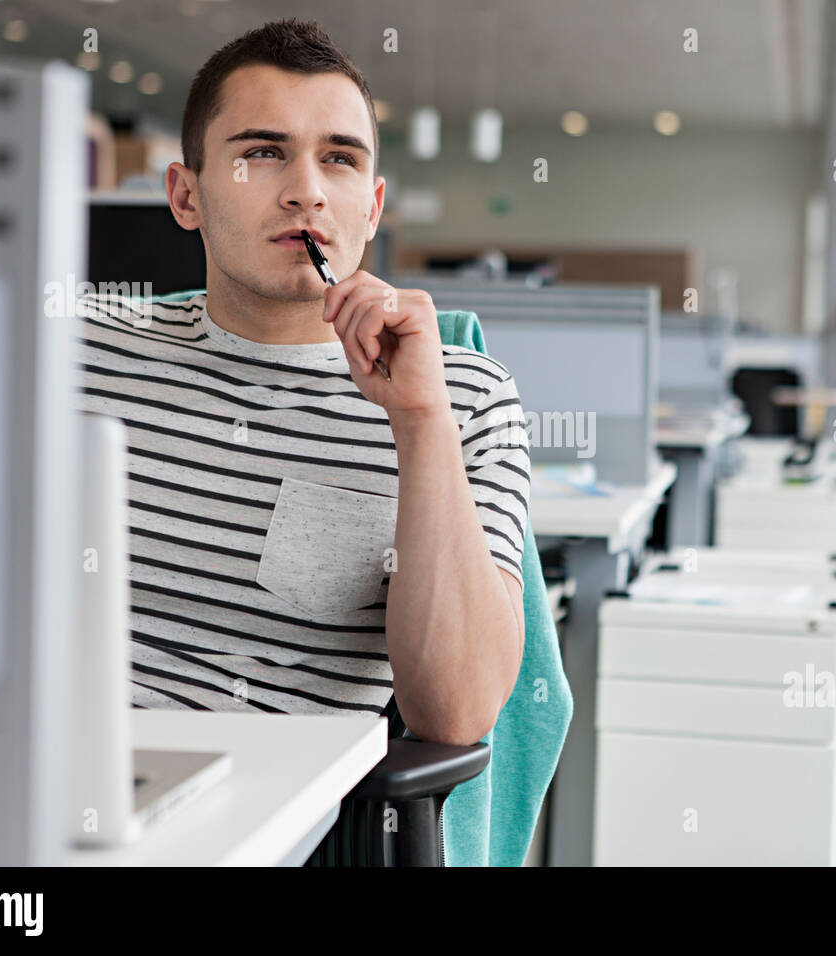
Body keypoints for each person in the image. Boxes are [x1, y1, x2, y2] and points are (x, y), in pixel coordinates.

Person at [75, 18, 528, 747]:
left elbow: (458, 712)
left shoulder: (465, 399)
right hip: (34, 779)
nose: (307, 192)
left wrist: (419, 421)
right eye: (263, 152)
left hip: (272, 829)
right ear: (186, 197)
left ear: (373, 207)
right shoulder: (77, 347)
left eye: (340, 160)